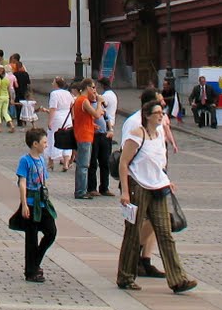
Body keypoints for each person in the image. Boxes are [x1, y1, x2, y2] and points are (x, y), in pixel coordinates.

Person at [116, 102, 196, 293]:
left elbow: (159, 163)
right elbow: (123, 163)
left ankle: (178, 279)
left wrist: (166, 180)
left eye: (162, 113)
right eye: (157, 113)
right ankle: (125, 277)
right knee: (133, 233)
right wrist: (125, 192)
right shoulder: (137, 134)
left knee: (165, 233)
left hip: (158, 188)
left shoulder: (159, 135)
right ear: (147, 115)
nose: (161, 116)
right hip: (138, 186)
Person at [15, 127, 57, 283]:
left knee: (51, 232)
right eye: (44, 142)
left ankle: (35, 262)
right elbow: (22, 182)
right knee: (31, 238)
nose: (46, 145)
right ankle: (30, 271)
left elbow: (43, 180)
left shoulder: (41, 160)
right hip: (31, 203)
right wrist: (24, 204)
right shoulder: (25, 160)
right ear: (34, 144)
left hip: (42, 202)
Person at [72, 81, 101, 200]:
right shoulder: (84, 100)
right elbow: (97, 114)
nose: (95, 90)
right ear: (87, 87)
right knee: (83, 165)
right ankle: (81, 191)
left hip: (83, 133)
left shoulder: (79, 100)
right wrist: (99, 102)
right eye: (93, 87)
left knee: (82, 165)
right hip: (85, 136)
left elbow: (82, 118)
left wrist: (92, 125)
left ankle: (81, 190)